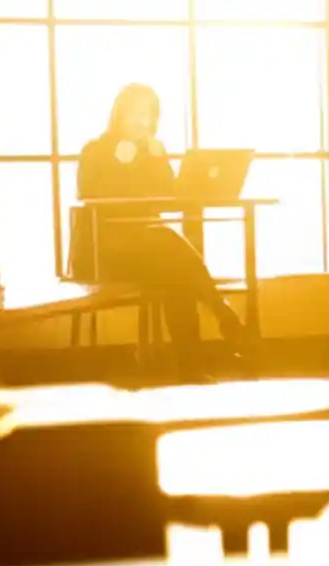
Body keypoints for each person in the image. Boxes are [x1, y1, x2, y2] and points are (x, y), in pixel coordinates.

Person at [72, 83, 247, 382]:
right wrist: (121, 163)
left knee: (175, 272)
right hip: (105, 251)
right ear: (119, 114)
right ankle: (218, 312)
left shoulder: (151, 151)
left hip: (149, 251)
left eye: (148, 115)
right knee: (169, 248)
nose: (142, 121)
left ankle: (191, 366)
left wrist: (157, 159)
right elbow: (91, 197)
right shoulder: (95, 150)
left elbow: (169, 197)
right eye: (135, 113)